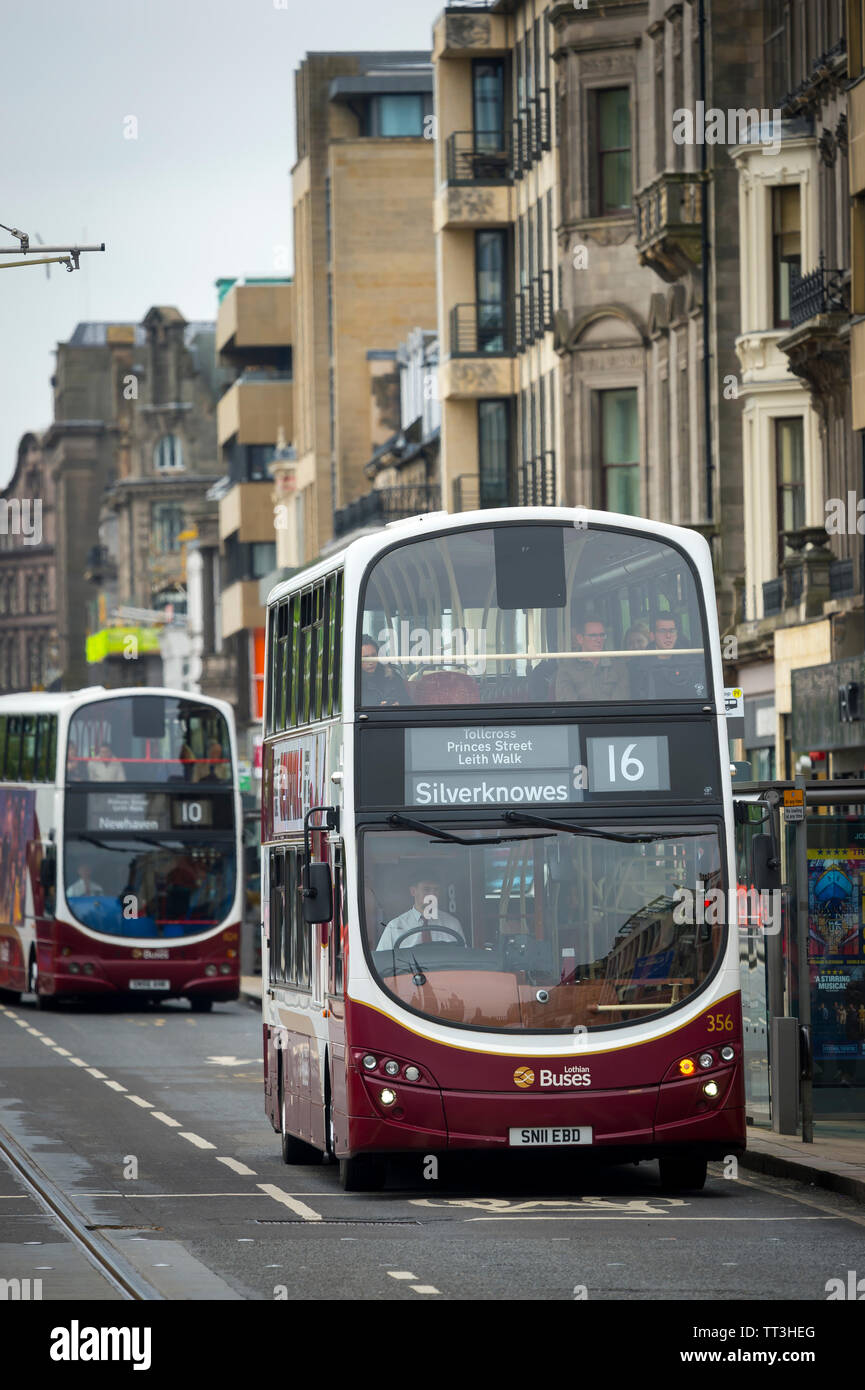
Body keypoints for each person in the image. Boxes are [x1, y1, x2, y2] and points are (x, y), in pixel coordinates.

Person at [375, 876, 466, 951]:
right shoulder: (394, 926)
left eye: (436, 890)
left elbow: (463, 957)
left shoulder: (452, 924)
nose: (432, 894)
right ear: (413, 891)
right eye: (426, 889)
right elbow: (383, 960)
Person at [554, 618, 628, 702]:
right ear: (580, 639)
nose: (599, 639)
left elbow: (621, 703)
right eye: (593, 635)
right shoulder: (566, 668)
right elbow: (567, 705)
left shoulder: (618, 666)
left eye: (602, 635)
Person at [642, 613, 707, 698]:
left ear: (677, 634)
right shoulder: (641, 664)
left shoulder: (691, 662)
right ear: (652, 636)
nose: (668, 636)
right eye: (662, 631)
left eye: (672, 631)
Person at [360, 635, 408, 706]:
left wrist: (399, 705)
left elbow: (408, 703)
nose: (371, 662)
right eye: (365, 658)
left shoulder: (392, 677)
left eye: (373, 656)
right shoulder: (354, 684)